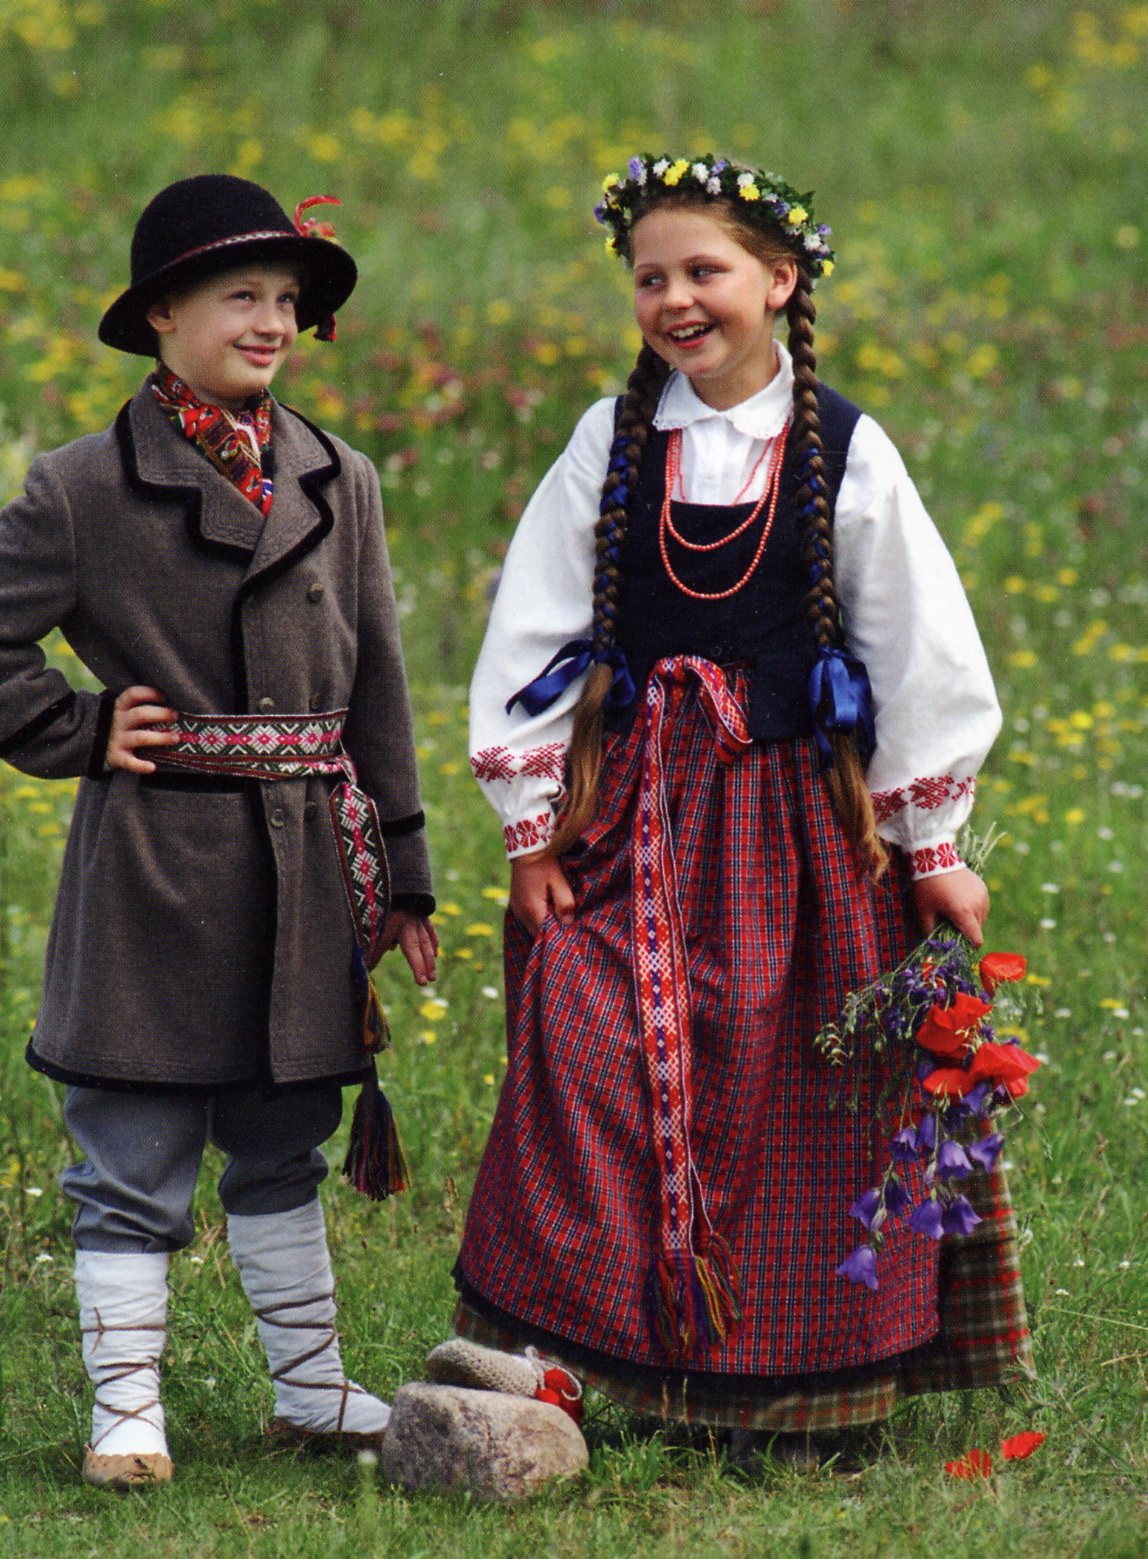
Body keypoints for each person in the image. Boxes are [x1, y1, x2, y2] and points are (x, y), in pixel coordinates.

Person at [427, 154, 1031, 1460]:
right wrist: (532, 826)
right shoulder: (613, 441)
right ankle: (581, 1360)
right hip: (635, 813)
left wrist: (931, 845)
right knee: (583, 1050)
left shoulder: (845, 455)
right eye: (651, 276)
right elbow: (535, 622)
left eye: (705, 270)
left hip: (800, 832)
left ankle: (800, 1399)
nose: (677, 297)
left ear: (780, 279)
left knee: (796, 1085)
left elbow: (918, 647)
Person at [0, 174, 438, 1489]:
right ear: (163, 314)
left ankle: (312, 1392)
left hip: (306, 873)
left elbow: (376, 680)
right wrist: (79, 731)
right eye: (238, 297)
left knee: (284, 1133)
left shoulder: (340, 478)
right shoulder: (85, 487)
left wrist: (411, 878)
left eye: (286, 301)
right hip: (155, 867)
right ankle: (125, 1414)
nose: (270, 323)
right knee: (135, 1141)